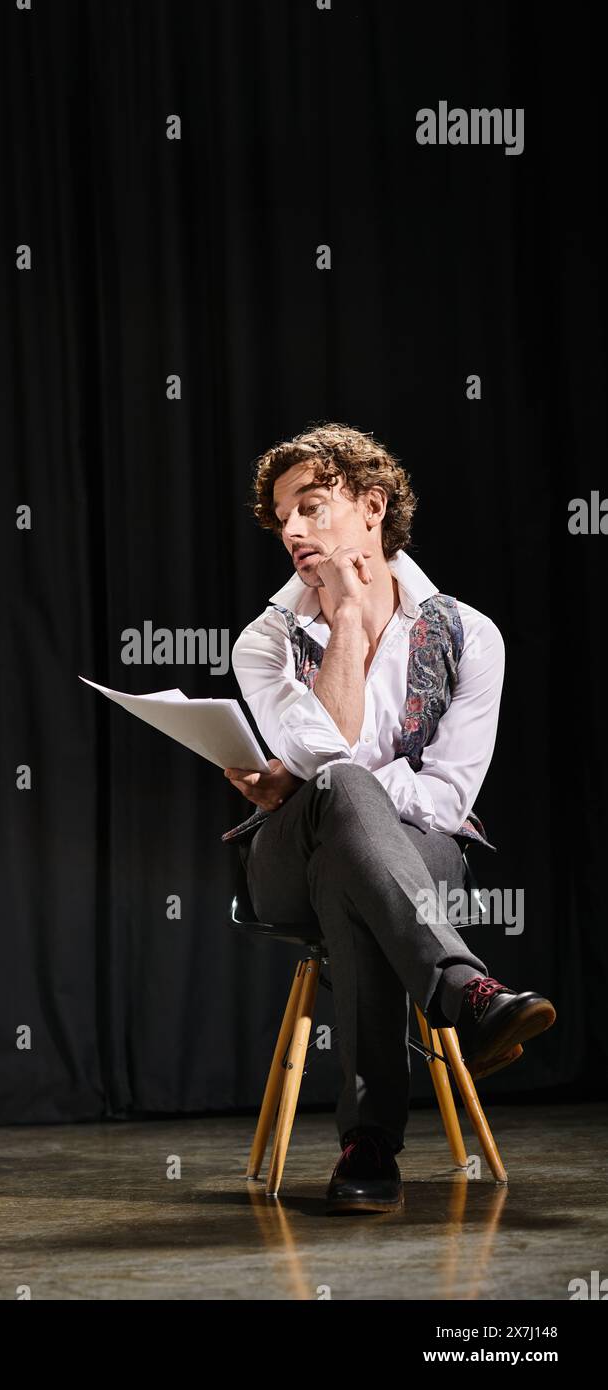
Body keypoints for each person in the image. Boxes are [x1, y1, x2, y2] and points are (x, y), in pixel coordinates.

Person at [222, 421, 556, 1214]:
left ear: (372, 505)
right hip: (284, 866)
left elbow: (447, 801)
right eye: (281, 518)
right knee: (341, 806)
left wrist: (333, 786)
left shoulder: (471, 636)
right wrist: (341, 624)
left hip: (417, 858)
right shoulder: (264, 643)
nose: (293, 531)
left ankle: (369, 1147)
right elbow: (333, 754)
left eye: (312, 507)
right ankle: (467, 994)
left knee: (355, 865)